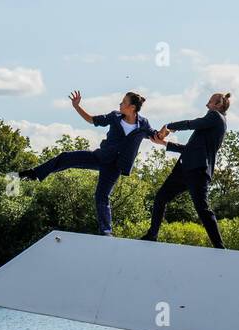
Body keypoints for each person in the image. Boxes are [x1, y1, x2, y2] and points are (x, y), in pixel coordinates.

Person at [19, 90, 160, 236]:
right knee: (66, 157)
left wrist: (164, 133)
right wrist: (76, 106)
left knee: (101, 195)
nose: (120, 104)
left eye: (123, 102)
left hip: (115, 166)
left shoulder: (143, 124)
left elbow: (155, 136)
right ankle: (34, 174)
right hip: (101, 156)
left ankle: (106, 232)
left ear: (132, 107)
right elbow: (92, 120)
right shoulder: (114, 116)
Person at [142, 92, 231, 249]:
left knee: (202, 208)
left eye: (210, 102)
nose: (207, 105)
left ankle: (219, 247)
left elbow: (191, 123)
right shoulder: (210, 124)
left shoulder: (216, 117)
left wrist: (170, 126)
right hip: (184, 169)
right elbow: (189, 149)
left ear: (218, 105)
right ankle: (152, 235)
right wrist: (164, 144)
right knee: (160, 198)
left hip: (197, 171)